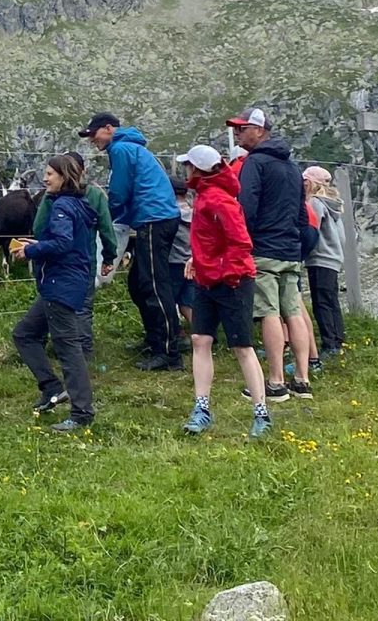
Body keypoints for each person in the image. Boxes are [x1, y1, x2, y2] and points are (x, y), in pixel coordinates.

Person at [175, 145, 272, 439]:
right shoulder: (206, 195)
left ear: (199, 169)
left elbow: (240, 242)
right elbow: (213, 238)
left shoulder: (218, 199)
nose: (185, 170)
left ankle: (261, 414)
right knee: (199, 339)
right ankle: (201, 408)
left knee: (242, 347)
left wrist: (221, 271)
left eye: (188, 165)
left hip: (232, 282)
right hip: (209, 279)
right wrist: (198, 259)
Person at [79, 113, 183, 370]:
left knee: (154, 284)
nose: (92, 140)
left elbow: (120, 192)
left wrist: (103, 219)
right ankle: (155, 339)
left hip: (154, 220)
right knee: (138, 283)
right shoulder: (130, 147)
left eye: (94, 134)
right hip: (156, 218)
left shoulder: (121, 148)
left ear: (108, 128)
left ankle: (169, 352)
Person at [227, 107, 313, 401]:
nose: (237, 133)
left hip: (263, 249)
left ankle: (275, 382)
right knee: (294, 312)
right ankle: (302, 379)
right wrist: (301, 244)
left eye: (242, 128)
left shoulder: (255, 163)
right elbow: (302, 213)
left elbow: (246, 207)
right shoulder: (292, 166)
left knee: (269, 313)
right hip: (290, 249)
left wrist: (239, 243)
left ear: (259, 131)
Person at [10, 155, 101, 432]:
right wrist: (40, 243)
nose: (46, 178)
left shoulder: (61, 206)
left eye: (50, 173)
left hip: (60, 284)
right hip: (67, 282)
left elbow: (62, 242)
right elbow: (69, 243)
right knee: (24, 333)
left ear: (64, 177)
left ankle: (82, 411)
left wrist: (31, 250)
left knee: (68, 347)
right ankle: (52, 388)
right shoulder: (78, 204)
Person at [302, 166, 347, 359]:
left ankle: (330, 345)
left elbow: (312, 230)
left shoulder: (315, 203)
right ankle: (337, 339)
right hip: (333, 258)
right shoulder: (334, 204)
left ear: (311, 183)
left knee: (321, 303)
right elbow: (342, 237)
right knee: (331, 300)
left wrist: (304, 250)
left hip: (319, 257)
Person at [170, 176, 196, 334]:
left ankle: (175, 332)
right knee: (187, 302)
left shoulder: (170, 213)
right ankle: (203, 331)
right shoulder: (194, 211)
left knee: (169, 299)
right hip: (191, 261)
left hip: (173, 262)